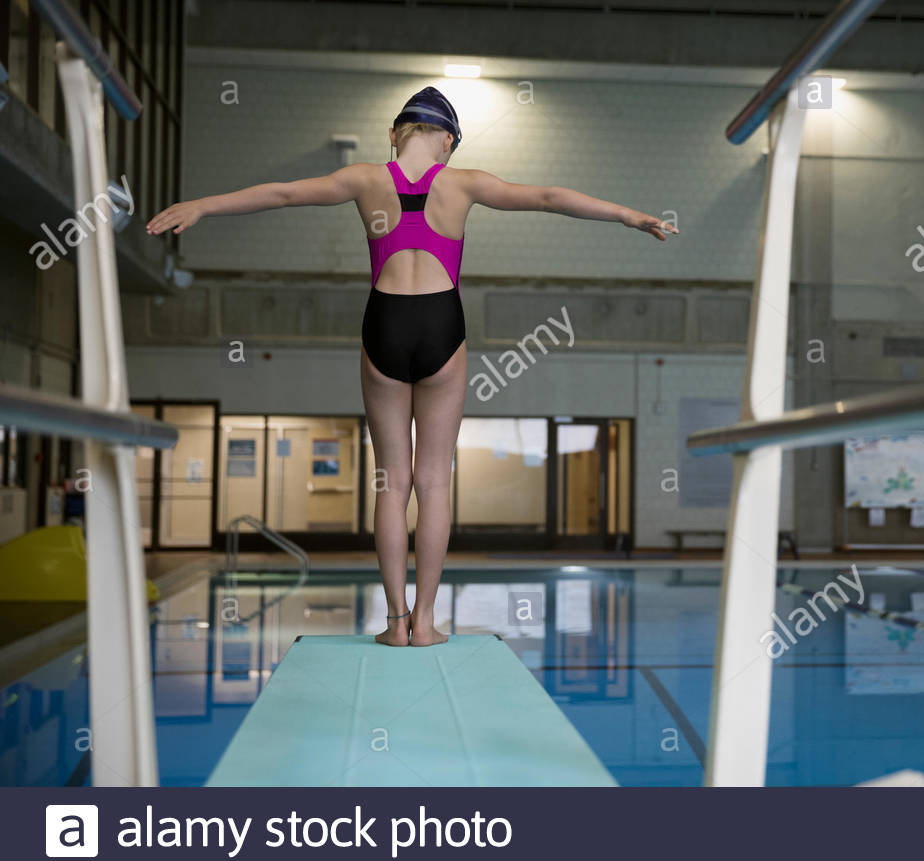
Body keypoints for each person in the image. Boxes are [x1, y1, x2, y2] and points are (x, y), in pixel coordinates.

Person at [146, 85, 678, 647]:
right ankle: (426, 621)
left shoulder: (363, 179)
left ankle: (394, 622)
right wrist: (628, 216)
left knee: (391, 483)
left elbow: (281, 194)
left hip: (384, 325)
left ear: (394, 135)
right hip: (441, 327)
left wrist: (203, 205)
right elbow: (547, 196)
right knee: (434, 482)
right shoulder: (464, 182)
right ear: (447, 139)